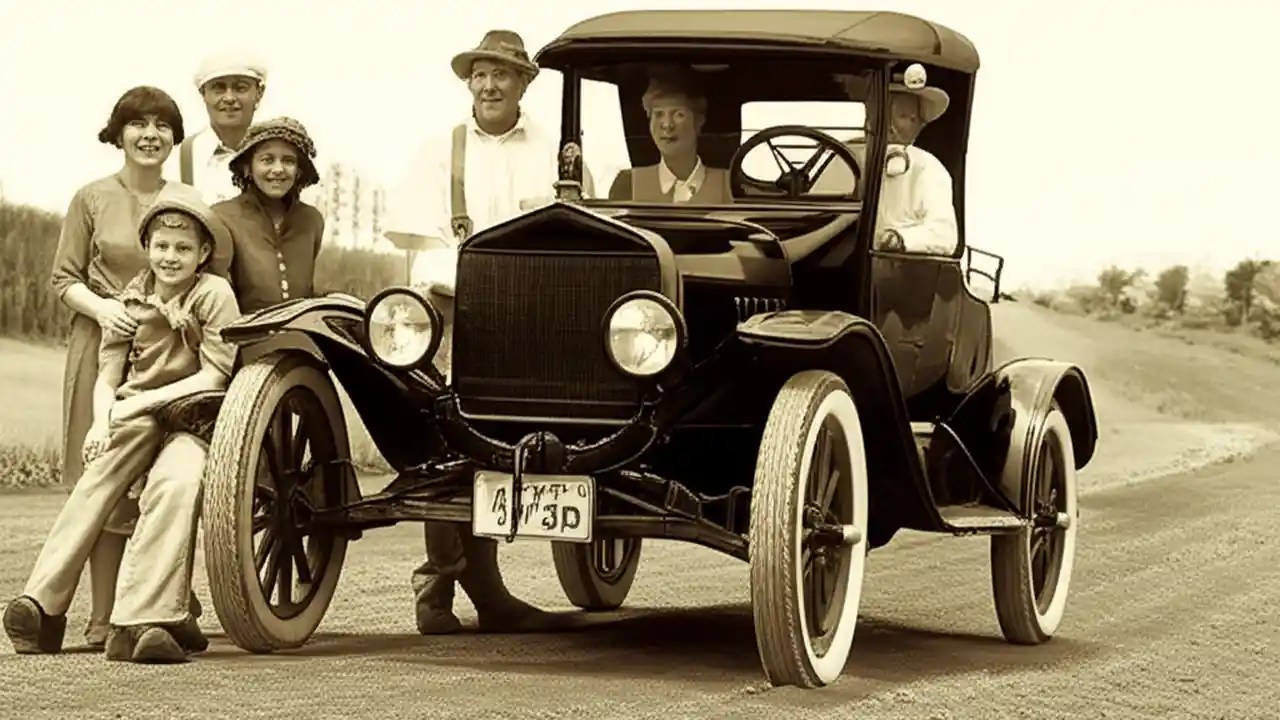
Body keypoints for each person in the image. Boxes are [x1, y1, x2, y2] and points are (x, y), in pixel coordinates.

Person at [383, 29, 583, 636]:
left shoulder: (560, 149)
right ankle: (439, 586)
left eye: (502, 74)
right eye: (480, 74)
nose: (490, 84)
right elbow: (420, 247)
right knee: (447, 442)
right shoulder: (437, 150)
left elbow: (586, 236)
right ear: (468, 82)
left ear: (525, 82)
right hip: (455, 311)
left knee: (513, 443)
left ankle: (484, 587)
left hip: (540, 318)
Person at [6, 189, 240, 663]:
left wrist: (136, 407)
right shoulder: (131, 300)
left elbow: (214, 374)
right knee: (99, 477)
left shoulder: (214, 294)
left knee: (176, 483)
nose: (170, 257)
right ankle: (43, 605)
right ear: (147, 248)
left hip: (194, 417)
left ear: (203, 254)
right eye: (161, 247)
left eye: (183, 249)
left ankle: (140, 619)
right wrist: (101, 422)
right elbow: (109, 377)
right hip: (135, 415)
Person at [45, 86, 230, 649]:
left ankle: (153, 607)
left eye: (162, 125)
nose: (150, 135)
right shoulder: (91, 197)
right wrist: (106, 310)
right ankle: (100, 618)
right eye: (137, 124)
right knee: (102, 472)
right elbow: (62, 278)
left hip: (176, 356)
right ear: (118, 134)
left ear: (175, 137)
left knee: (171, 475)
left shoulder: (191, 197)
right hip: (105, 344)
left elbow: (208, 275)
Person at [213, 116, 324, 313]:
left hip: (303, 337)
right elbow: (213, 296)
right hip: (242, 337)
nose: (278, 169)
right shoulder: (222, 217)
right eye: (267, 160)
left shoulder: (311, 219)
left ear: (299, 171)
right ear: (248, 167)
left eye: (289, 161)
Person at [608, 68, 732, 204]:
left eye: (678, 114)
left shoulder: (728, 185)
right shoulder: (628, 184)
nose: (667, 125)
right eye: (659, 114)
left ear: (699, 121)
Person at [164, 48, 269, 205]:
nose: (229, 98)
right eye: (218, 88)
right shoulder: (177, 160)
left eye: (240, 88)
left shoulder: (279, 156)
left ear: (259, 93)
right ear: (203, 94)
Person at [871, 71, 959, 256]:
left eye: (912, 117)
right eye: (903, 115)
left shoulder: (928, 168)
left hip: (896, 272)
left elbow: (944, 235)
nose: (914, 124)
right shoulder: (844, 156)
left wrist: (900, 239)